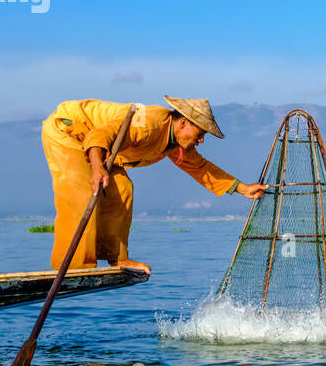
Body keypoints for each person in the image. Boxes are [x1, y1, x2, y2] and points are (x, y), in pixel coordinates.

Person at [40, 96, 266, 271]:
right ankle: (72, 265)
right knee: (81, 191)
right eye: (200, 133)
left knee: (123, 189)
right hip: (69, 130)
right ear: (184, 124)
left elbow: (202, 168)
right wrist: (97, 168)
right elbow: (102, 134)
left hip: (104, 149)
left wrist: (243, 189)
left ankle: (117, 258)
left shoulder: (175, 142)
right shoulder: (149, 124)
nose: (201, 140)